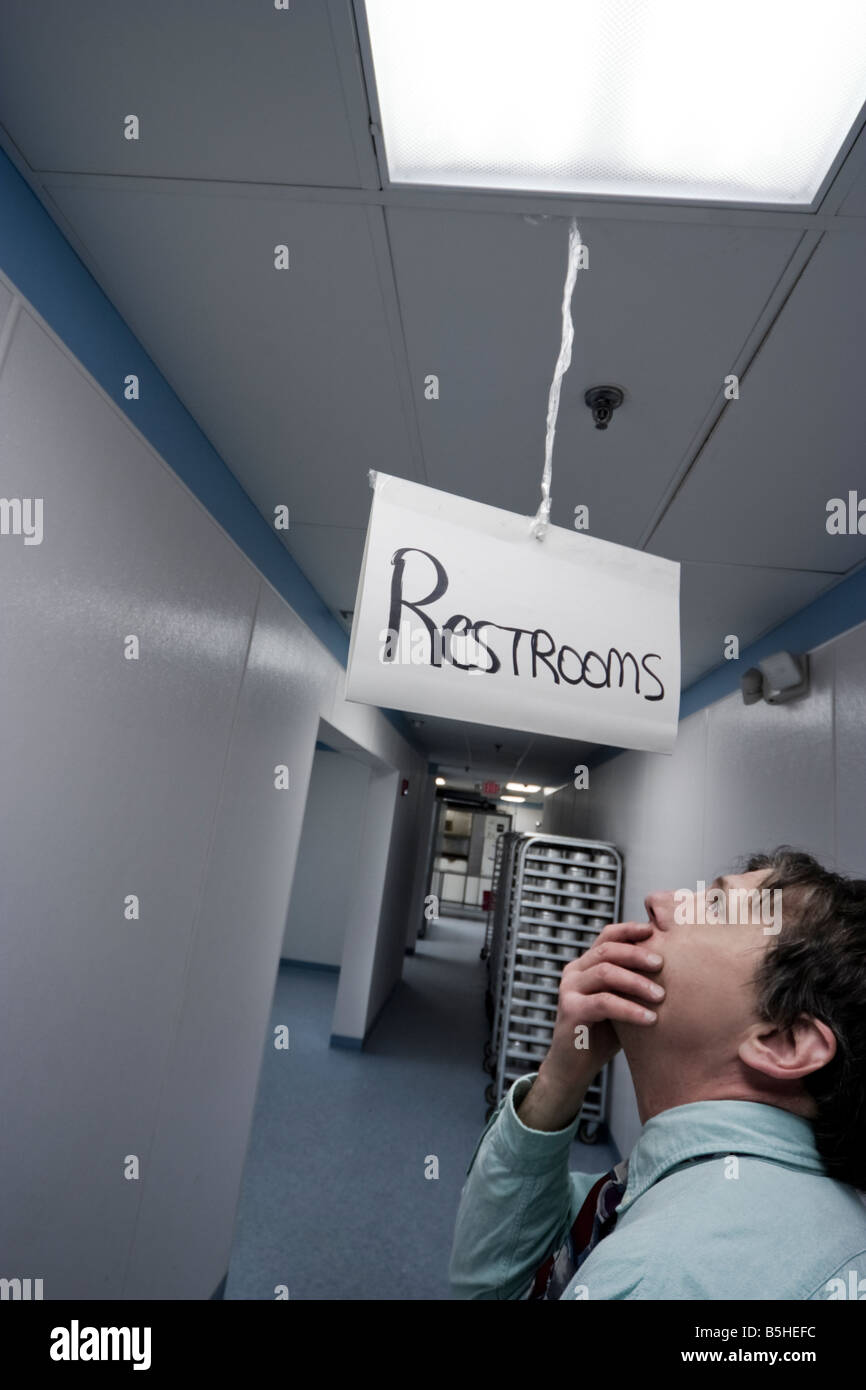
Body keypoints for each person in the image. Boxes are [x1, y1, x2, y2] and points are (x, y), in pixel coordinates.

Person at [449, 848, 866, 1299]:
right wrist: (561, 1076)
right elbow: (498, 1287)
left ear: (784, 1042)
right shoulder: (705, 1200)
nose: (657, 901)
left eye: (715, 905)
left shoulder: (654, 1277)